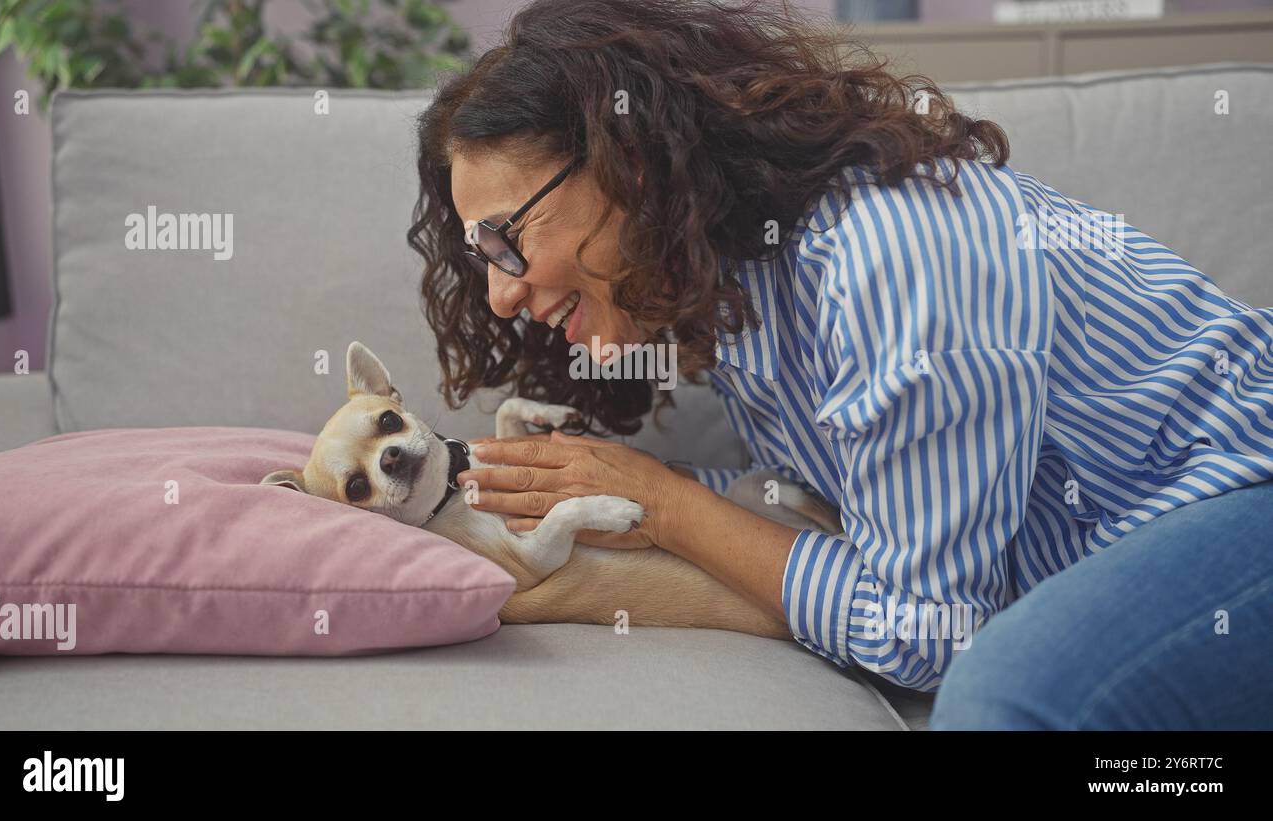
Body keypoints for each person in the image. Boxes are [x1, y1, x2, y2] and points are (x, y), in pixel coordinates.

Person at [406, 0, 1273, 729]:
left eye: (501, 241)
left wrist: (668, 507)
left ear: (626, 162)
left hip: (1242, 481)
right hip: (1145, 532)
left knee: (1005, 703)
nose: (498, 296)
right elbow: (868, 510)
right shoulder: (738, 278)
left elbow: (928, 633)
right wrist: (620, 494)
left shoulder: (890, 254)